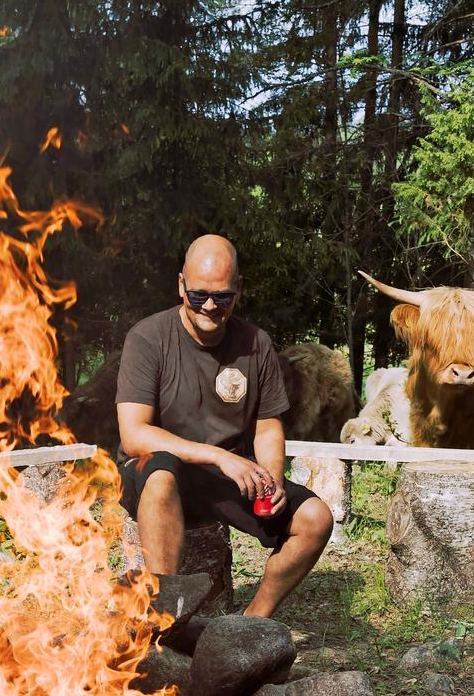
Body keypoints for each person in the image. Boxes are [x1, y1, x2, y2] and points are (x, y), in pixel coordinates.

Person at [115, 234, 335, 618]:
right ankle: (163, 618)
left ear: (239, 288)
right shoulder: (148, 338)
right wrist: (218, 457)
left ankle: (250, 625)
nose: (211, 307)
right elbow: (134, 434)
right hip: (155, 474)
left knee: (316, 519)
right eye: (199, 295)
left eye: (223, 297)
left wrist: (273, 478)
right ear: (180, 284)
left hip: (229, 474)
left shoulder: (256, 343)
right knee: (163, 473)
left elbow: (268, 426)